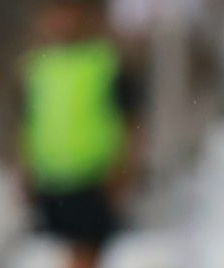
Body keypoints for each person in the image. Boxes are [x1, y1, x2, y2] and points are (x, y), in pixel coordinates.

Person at [19, 0, 136, 254]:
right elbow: (27, 123)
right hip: (49, 181)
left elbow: (129, 120)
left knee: (91, 259)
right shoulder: (37, 66)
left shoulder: (105, 62)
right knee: (54, 263)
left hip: (94, 179)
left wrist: (123, 169)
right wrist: (25, 172)